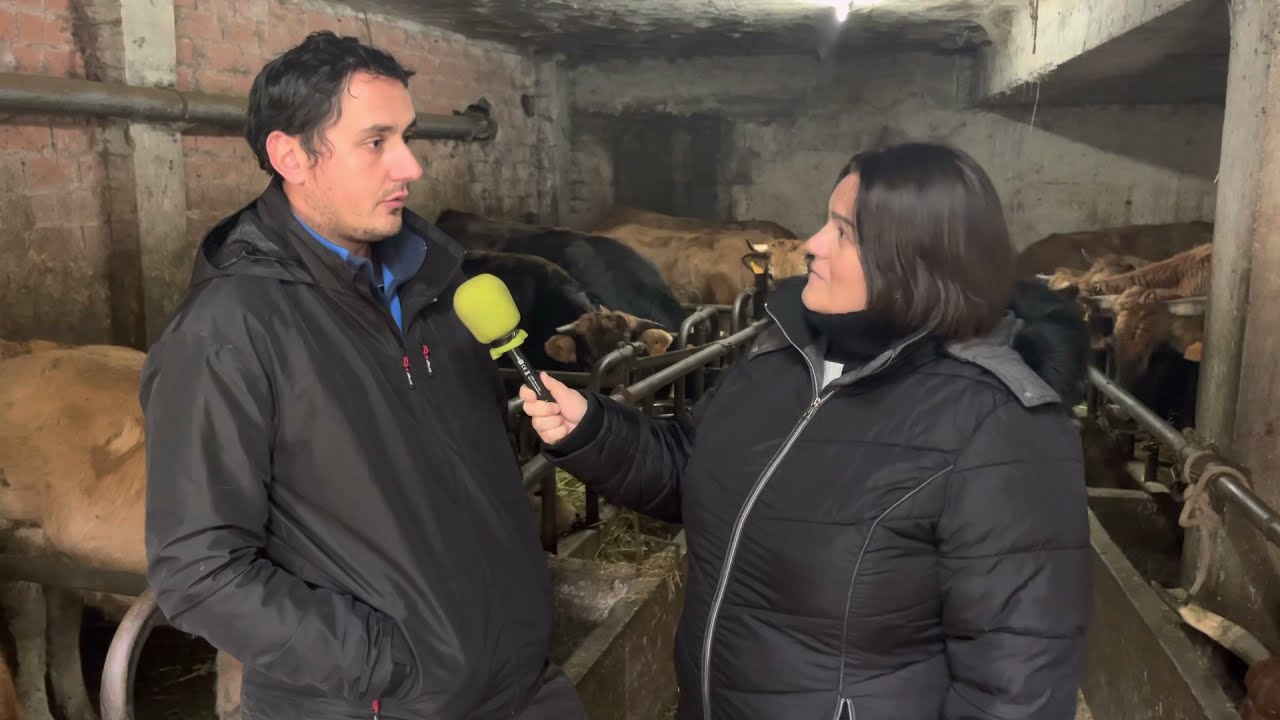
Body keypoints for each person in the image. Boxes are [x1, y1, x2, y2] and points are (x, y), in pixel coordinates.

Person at [520, 142, 1093, 719]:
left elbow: (1016, 690)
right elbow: (693, 466)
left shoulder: (1002, 429)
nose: (813, 244)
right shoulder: (781, 356)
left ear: (913, 261)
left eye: (844, 232)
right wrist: (591, 429)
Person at [140, 32, 586, 720]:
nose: (411, 165)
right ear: (291, 156)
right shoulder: (228, 330)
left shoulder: (439, 287)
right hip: (377, 703)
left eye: (407, 136)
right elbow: (198, 570)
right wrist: (389, 666)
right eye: (376, 142)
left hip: (522, 684)